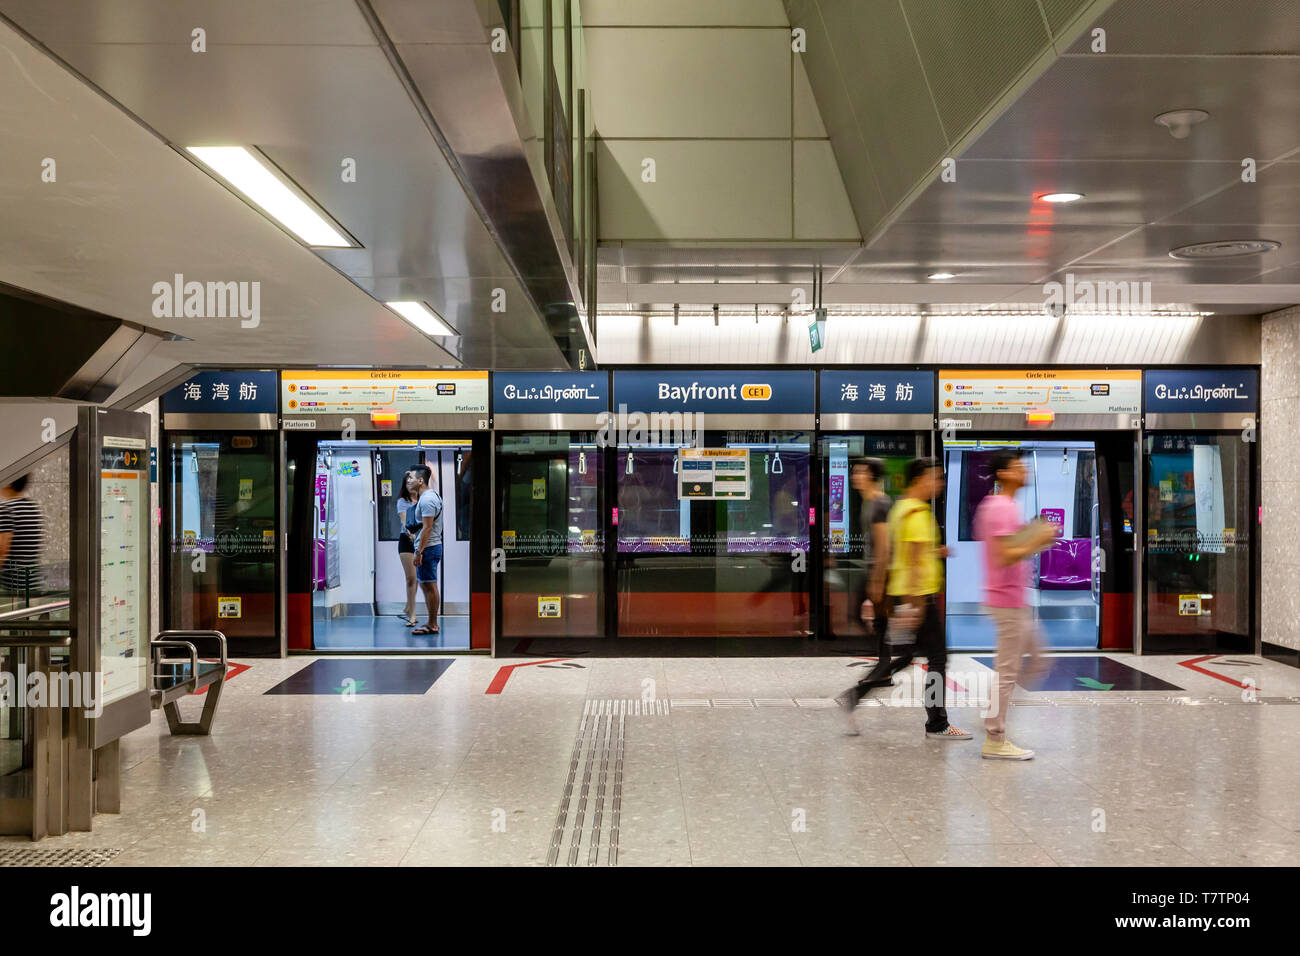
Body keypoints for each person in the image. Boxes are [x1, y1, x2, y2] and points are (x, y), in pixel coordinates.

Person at [973, 451, 1058, 760]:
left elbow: (1013, 547)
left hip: (1013, 599)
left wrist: (1036, 537)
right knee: (1008, 672)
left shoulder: (1005, 506)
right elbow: (1005, 556)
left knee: (1037, 660)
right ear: (1004, 473)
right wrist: (1038, 540)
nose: (1025, 471)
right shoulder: (999, 508)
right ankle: (995, 737)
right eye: (1019, 467)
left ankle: (994, 709)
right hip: (1006, 600)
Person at [883, 457, 969, 740]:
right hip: (919, 598)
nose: (940, 484)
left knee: (907, 656)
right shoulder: (919, 513)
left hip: (903, 595)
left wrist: (935, 553)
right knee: (937, 659)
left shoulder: (900, 508)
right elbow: (914, 561)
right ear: (920, 479)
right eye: (935, 477)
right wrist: (917, 606)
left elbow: (906, 553)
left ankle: (860, 691)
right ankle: (937, 723)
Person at [834, 459, 895, 733]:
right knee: (871, 626)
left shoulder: (880, 504)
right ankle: (883, 669)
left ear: (872, 476)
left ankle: (880, 671)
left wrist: (877, 582)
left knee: (884, 634)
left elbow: (884, 546)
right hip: (872, 571)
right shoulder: (869, 503)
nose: (855, 476)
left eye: (860, 472)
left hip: (879, 574)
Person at [409, 464, 444, 636]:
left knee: (429, 585)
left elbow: (427, 528)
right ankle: (432, 622)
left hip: (428, 548)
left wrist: (419, 551)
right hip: (429, 547)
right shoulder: (428, 496)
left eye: (411, 478)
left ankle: (432, 624)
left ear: (420, 480)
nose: (408, 481)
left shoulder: (428, 500)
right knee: (427, 584)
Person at [0, 474, 45, 604]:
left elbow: (2, 550)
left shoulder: (6, 509)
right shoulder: (32, 507)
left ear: (9, 483)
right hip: (32, 584)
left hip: (12, 589)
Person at [395, 471, 420, 627]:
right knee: (411, 578)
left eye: (412, 481)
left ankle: (408, 606)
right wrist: (413, 537)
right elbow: (406, 524)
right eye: (407, 482)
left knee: (416, 577)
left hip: (420, 541)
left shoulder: (424, 499)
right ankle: (412, 614)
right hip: (407, 541)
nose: (410, 485)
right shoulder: (402, 501)